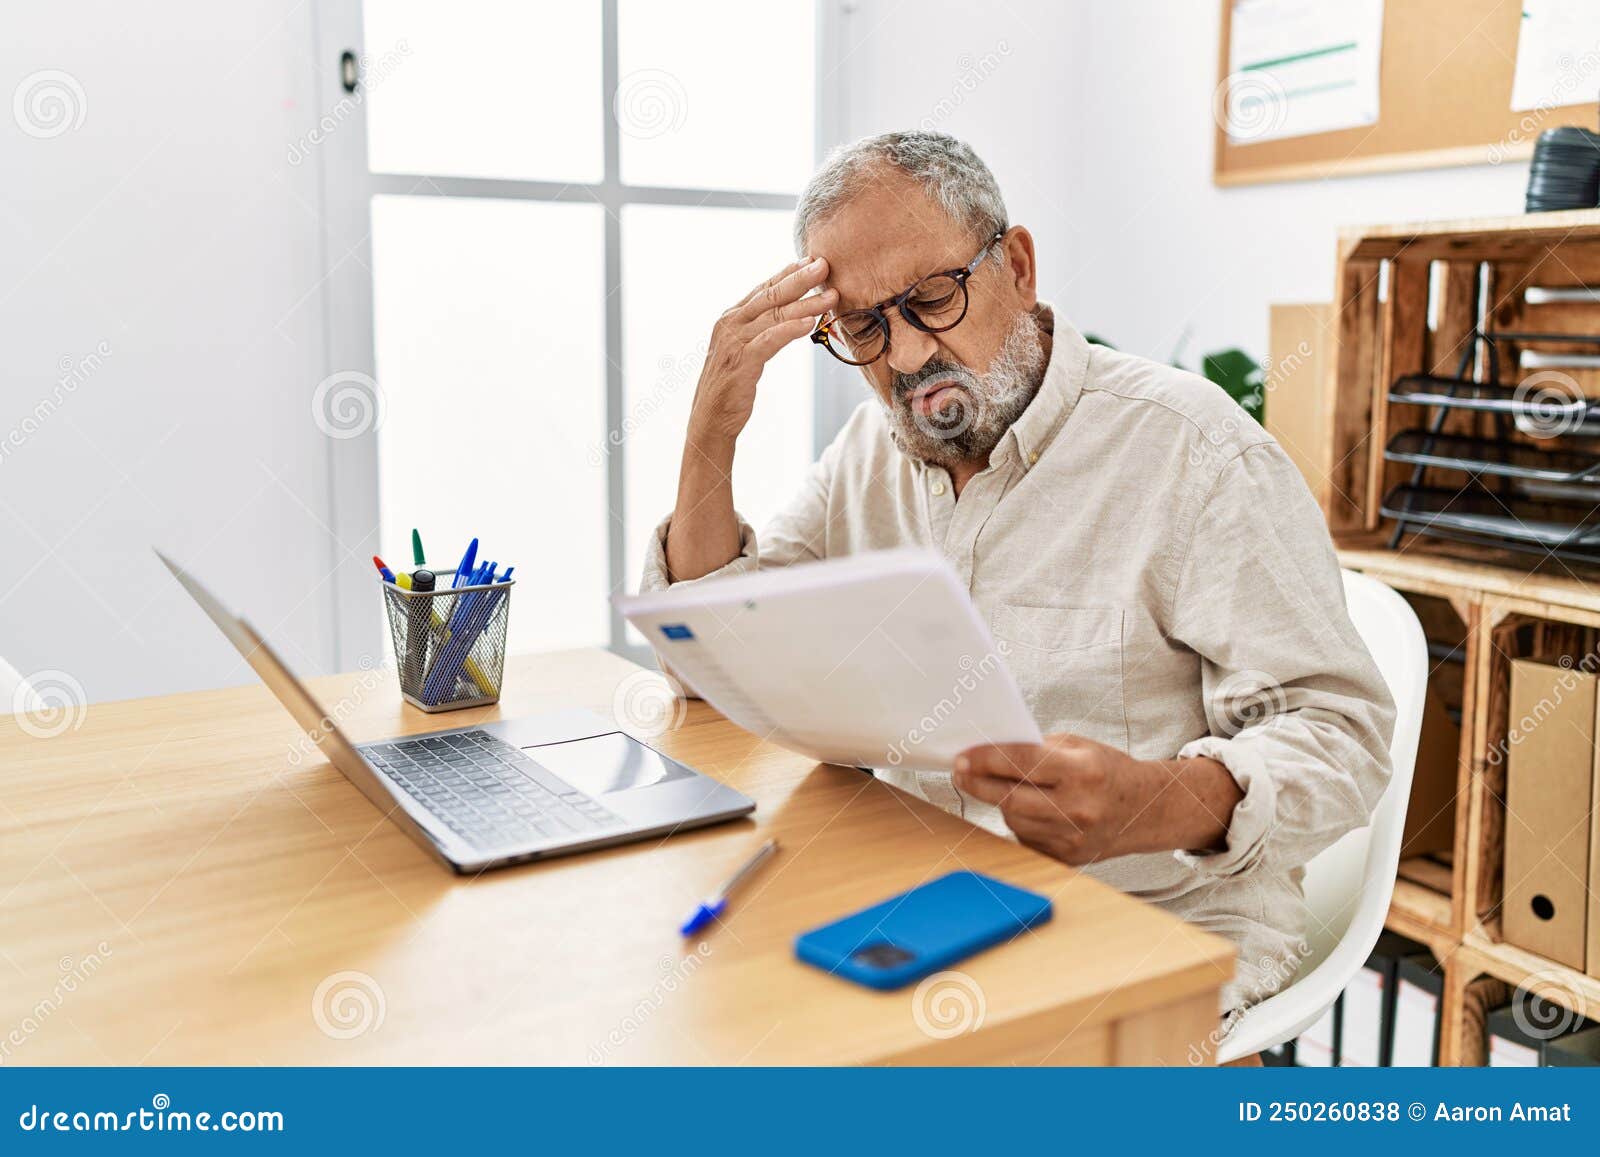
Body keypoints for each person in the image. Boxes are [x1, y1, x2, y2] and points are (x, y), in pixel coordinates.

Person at [638, 130, 1394, 1030]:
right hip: (923, 905)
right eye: (865, 327)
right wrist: (710, 435)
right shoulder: (866, 456)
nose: (909, 356)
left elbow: (1343, 733)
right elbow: (716, 658)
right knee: (709, 1019)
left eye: (930, 299)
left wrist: (1156, 802)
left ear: (1019, 265)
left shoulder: (1194, 450)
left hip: (1147, 921)